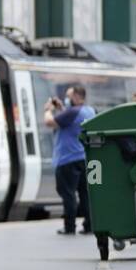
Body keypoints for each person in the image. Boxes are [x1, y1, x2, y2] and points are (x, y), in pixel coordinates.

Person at [44, 85, 95, 235]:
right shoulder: (89, 111)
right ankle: (89, 225)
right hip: (84, 158)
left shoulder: (72, 111)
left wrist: (48, 110)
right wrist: (61, 109)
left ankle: (70, 226)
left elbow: (49, 122)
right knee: (85, 194)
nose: (67, 99)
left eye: (69, 96)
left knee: (68, 194)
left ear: (77, 97)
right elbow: (70, 121)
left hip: (67, 159)